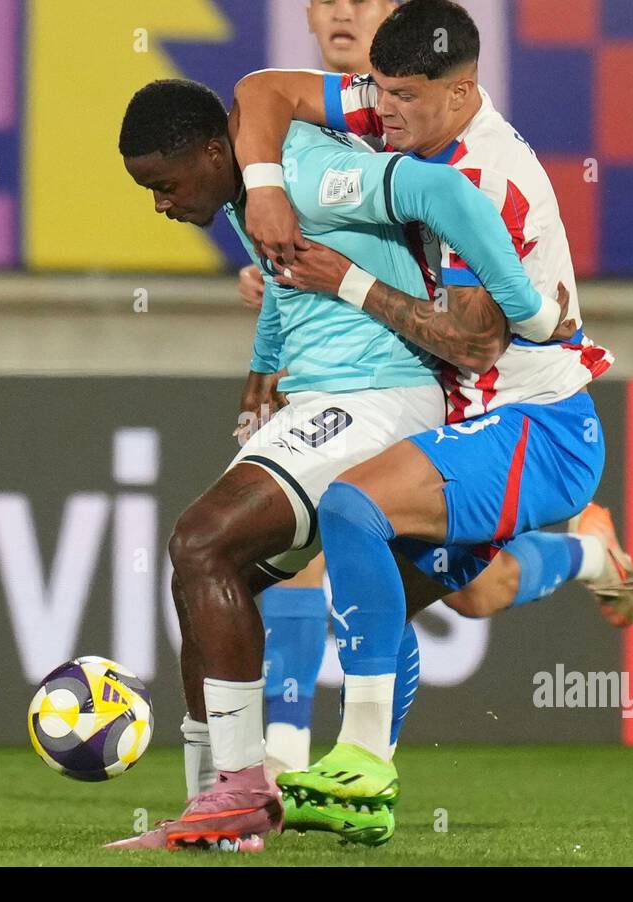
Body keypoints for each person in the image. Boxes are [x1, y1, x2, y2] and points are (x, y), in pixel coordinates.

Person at [112, 76, 568, 850]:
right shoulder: (249, 192)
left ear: (216, 151)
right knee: (207, 573)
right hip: (332, 398)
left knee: (201, 543)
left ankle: (239, 793)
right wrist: (264, 372)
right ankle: (219, 814)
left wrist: (528, 309)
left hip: (381, 398)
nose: (159, 203)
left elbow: (442, 190)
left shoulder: (304, 172)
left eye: (163, 183)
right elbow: (291, 291)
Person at [231, 0, 633, 828]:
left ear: (460, 95)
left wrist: (341, 279)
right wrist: (269, 194)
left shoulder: (484, 179)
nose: (382, 114)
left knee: (351, 509)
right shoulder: (400, 105)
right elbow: (260, 91)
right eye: (376, 93)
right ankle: (591, 556)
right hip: (460, 421)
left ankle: (355, 763)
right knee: (458, 595)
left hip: (538, 424)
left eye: (403, 98)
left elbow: (474, 346)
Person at [238, 0, 403, 790]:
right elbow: (284, 272)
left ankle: (583, 550)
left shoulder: (419, 116)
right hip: (336, 386)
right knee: (293, 540)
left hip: (427, 377)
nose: (344, 11)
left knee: (480, 591)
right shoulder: (287, 130)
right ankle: (287, 758)